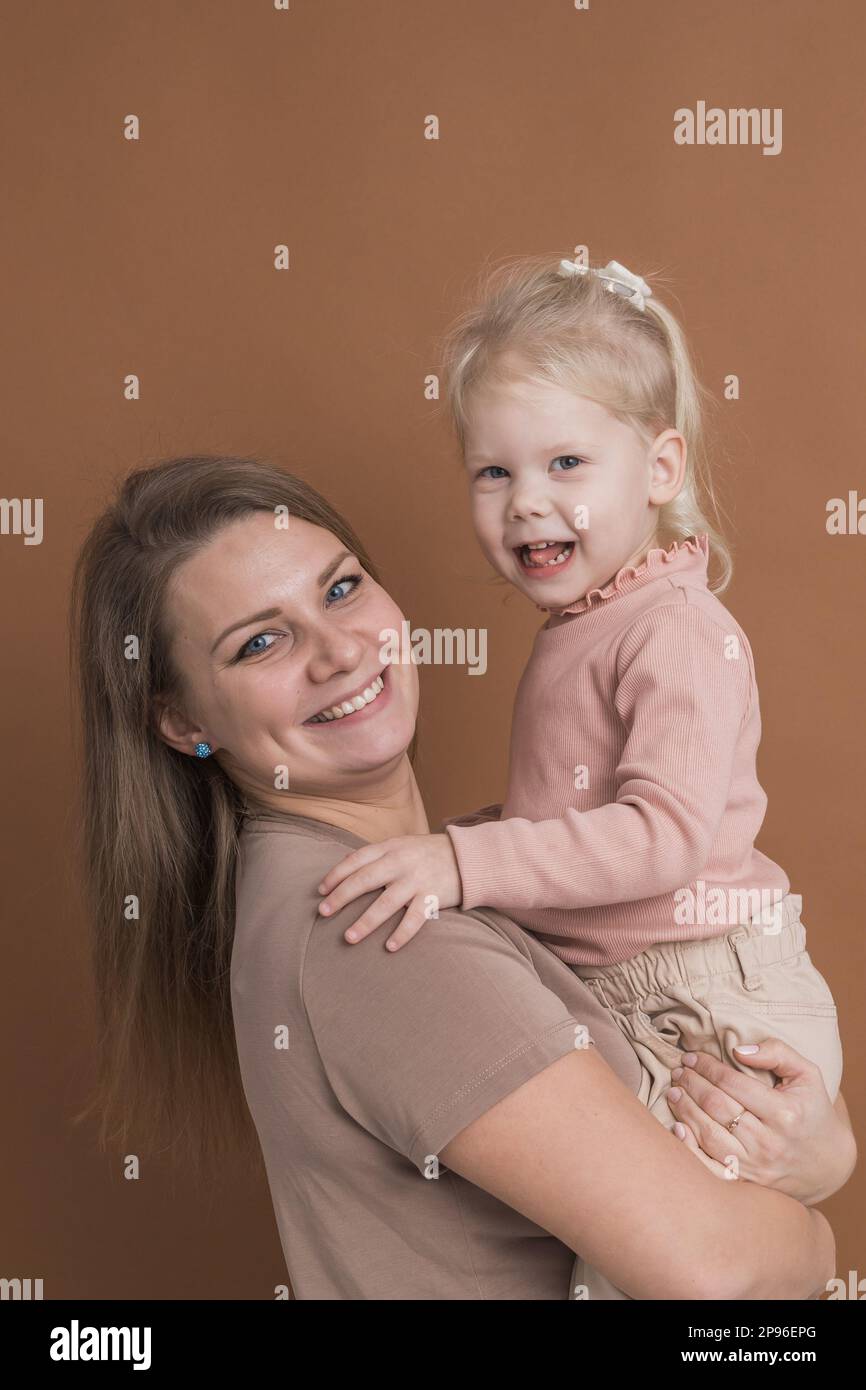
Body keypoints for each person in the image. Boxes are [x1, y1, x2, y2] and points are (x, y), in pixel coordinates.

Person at [69, 454, 855, 1300]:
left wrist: (819, 1147)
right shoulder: (375, 929)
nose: (339, 652)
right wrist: (815, 1227)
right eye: (261, 642)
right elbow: (719, 1278)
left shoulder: (428, 877)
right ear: (184, 720)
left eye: (340, 589)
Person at [310, 255, 846, 1296]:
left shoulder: (674, 631)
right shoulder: (592, 619)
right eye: (492, 472)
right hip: (631, 982)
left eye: (564, 464)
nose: (524, 505)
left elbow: (661, 837)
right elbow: (565, 814)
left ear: (657, 469)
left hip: (704, 993)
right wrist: (450, 850)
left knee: (663, 1266)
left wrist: (464, 862)